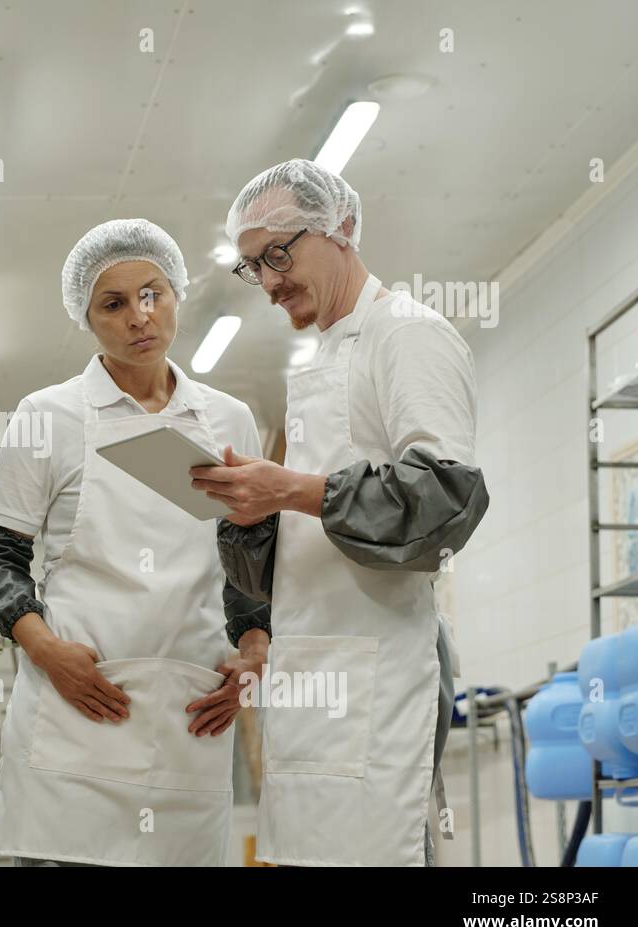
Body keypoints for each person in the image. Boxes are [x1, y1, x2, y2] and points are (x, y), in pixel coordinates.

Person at [193, 158, 489, 866]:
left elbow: (445, 506)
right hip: (311, 681)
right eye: (252, 267)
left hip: (378, 678)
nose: (267, 281)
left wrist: (291, 490)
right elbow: (309, 539)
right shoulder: (322, 363)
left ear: (344, 228)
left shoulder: (407, 335)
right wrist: (249, 521)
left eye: (278, 254)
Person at [0, 219, 268, 866]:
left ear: (177, 294)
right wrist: (48, 652)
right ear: (87, 317)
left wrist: (254, 651)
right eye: (113, 304)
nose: (140, 316)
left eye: (153, 293)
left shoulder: (228, 420)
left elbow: (247, 562)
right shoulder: (48, 416)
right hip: (77, 713)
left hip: (190, 717)